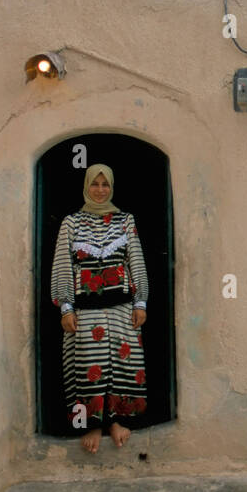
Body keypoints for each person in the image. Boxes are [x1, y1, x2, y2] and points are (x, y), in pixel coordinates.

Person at [50, 163, 149, 453]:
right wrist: (66, 307)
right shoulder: (71, 223)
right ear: (87, 186)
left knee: (121, 364)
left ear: (112, 187)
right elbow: (63, 266)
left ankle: (116, 422)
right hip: (85, 311)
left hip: (121, 308)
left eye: (106, 184)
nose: (100, 189)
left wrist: (140, 301)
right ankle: (92, 424)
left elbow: (136, 261)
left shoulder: (125, 221)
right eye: (95, 184)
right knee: (87, 366)